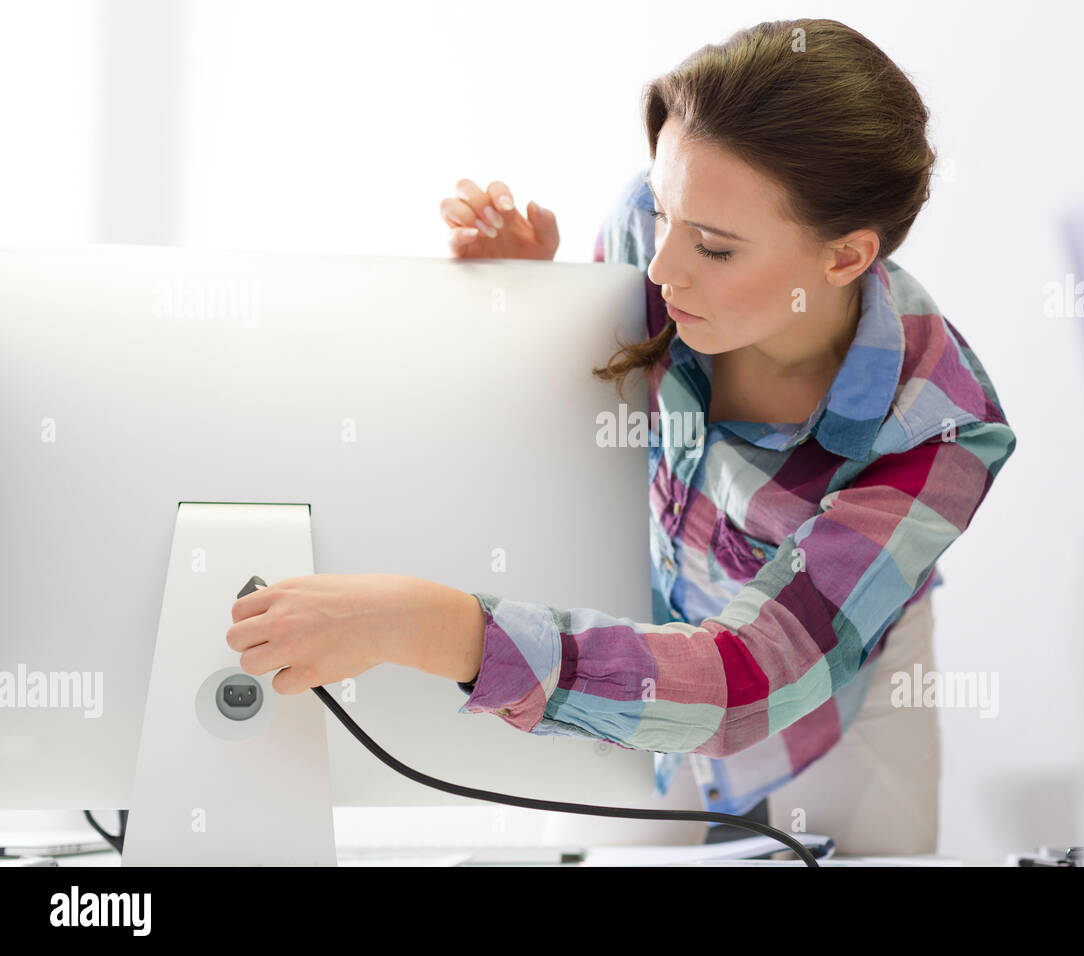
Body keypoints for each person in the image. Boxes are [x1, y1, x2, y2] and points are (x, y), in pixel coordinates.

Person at [229, 17, 1016, 857]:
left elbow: (743, 682)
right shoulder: (656, 233)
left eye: (713, 248)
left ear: (845, 258)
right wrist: (532, 301)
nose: (661, 266)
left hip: (827, 690)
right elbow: (586, 415)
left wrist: (426, 626)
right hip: (639, 635)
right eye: (663, 209)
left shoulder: (940, 435)